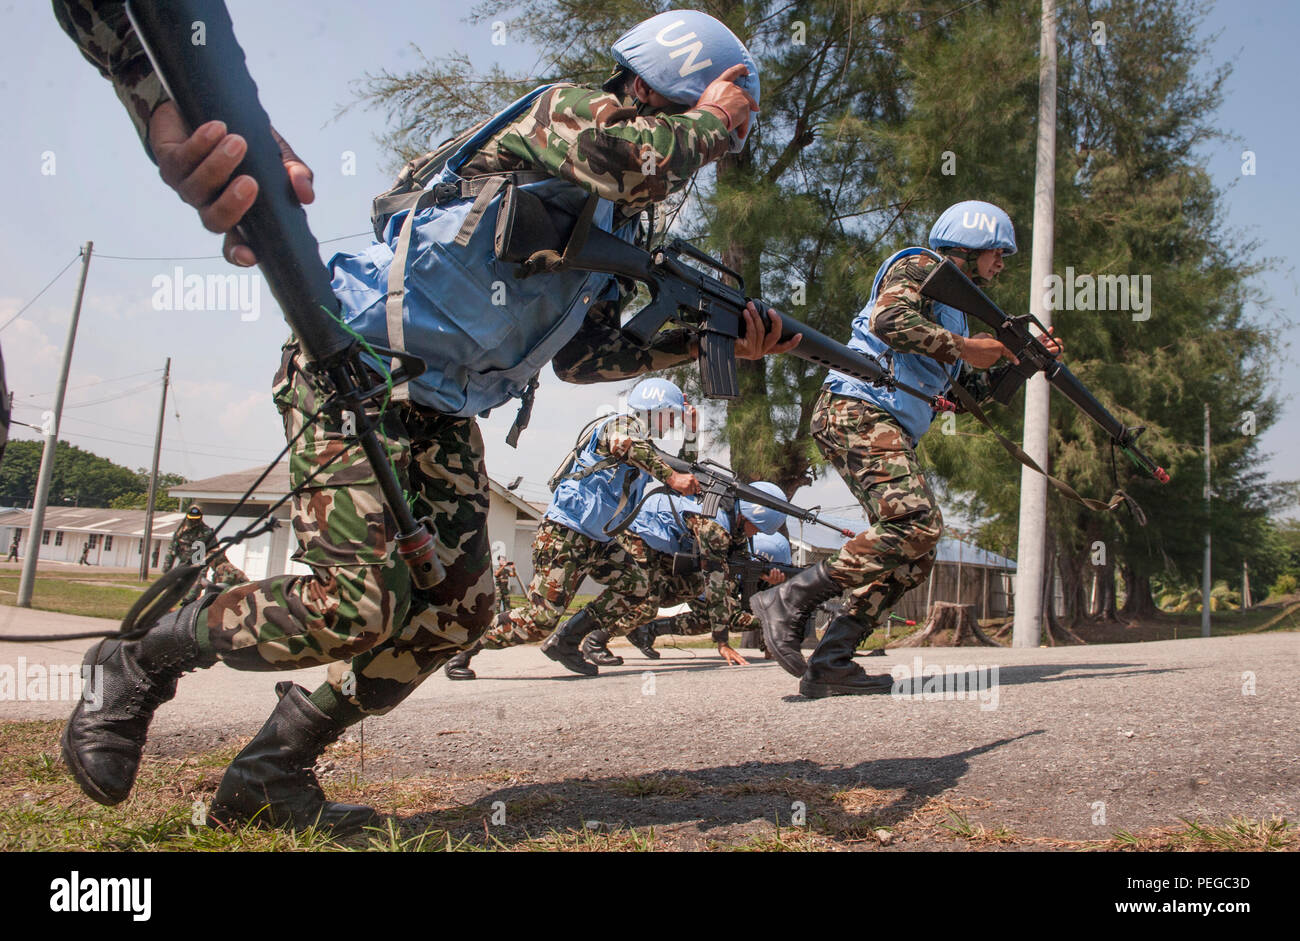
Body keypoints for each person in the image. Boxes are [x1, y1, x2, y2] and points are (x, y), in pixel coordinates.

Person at [57, 3, 790, 831]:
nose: (709, 155)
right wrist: (716, 120)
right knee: (355, 603)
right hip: (354, 365)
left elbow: (584, 358)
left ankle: (270, 774)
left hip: (439, 411)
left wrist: (699, 345)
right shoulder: (570, 116)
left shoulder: (617, 221)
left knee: (458, 610)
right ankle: (137, 660)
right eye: (711, 123)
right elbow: (632, 160)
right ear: (666, 86)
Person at [750, 201, 1062, 698]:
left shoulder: (955, 310)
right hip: (857, 408)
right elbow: (888, 320)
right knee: (915, 523)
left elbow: (964, 397)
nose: (1002, 264)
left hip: (877, 419)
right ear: (969, 246)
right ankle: (789, 598)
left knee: (916, 551)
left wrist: (1021, 364)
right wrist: (966, 347)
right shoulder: (921, 266)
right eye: (998, 252)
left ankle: (832, 660)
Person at [442, 378, 700, 680]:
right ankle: (463, 646)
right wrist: (671, 478)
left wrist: (691, 432)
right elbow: (628, 446)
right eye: (672, 416)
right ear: (657, 410)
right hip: (565, 534)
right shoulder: (620, 425)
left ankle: (566, 641)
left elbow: (685, 474)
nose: (673, 424)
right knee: (540, 619)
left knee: (637, 587)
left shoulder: (648, 449)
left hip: (599, 542)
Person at [588, 486, 789, 668]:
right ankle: (595, 638)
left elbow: (739, 561)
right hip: (638, 533)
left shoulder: (734, 522)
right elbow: (716, 583)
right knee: (647, 604)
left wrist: (764, 575)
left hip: (661, 545)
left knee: (693, 585)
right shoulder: (715, 528)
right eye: (757, 528)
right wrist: (722, 642)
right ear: (746, 517)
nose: (756, 534)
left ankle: (639, 621)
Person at [626, 529, 793, 660]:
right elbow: (731, 616)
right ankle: (645, 628)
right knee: (715, 618)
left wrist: (771, 646)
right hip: (701, 585)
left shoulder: (771, 555)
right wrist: (766, 622)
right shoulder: (732, 566)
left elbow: (770, 606)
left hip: (714, 585)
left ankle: (646, 628)